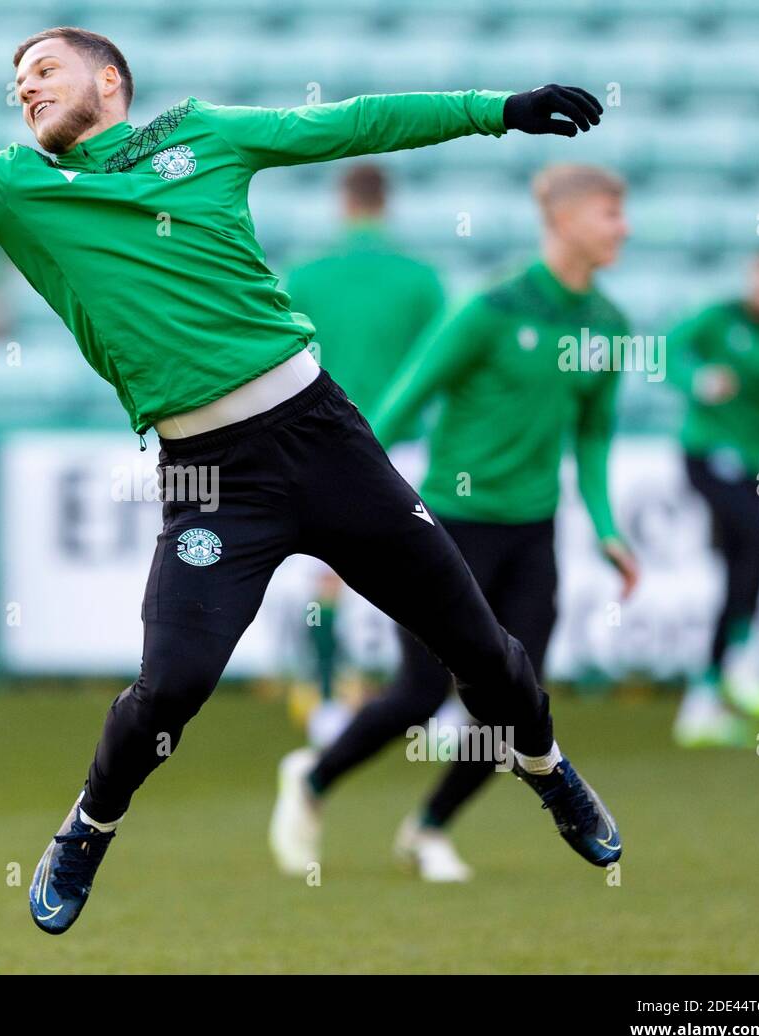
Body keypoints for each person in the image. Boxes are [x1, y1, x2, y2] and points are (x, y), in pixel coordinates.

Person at [0, 25, 620, 935]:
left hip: (323, 440)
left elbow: (357, 123)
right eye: (19, 82)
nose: (28, 87)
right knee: (169, 686)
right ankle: (86, 828)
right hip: (212, 476)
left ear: (111, 84)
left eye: (46, 69)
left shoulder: (204, 134)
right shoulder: (12, 190)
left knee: (483, 653)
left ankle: (548, 770)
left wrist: (497, 108)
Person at [271, 163, 638, 882]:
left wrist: (605, 526)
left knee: (519, 703)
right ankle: (311, 780)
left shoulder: (609, 325)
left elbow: (594, 433)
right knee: (419, 693)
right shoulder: (489, 308)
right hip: (450, 528)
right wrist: (349, 510)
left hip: (534, 532)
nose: (623, 229)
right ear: (564, 221)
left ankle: (429, 828)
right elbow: (404, 402)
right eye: (609, 215)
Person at [282, 163, 444, 747]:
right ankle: (440, 708)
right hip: (405, 446)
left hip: (324, 444)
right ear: (386, 203)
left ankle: (326, 704)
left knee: (326, 581)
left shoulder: (305, 276)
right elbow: (442, 367)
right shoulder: (420, 280)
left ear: (344, 203)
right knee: (429, 578)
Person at [668, 249, 759, 747]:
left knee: (741, 566)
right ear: (754, 277)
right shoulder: (720, 317)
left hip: (752, 465)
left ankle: (703, 699)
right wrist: (698, 380)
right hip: (706, 453)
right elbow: (667, 352)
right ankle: (744, 651)